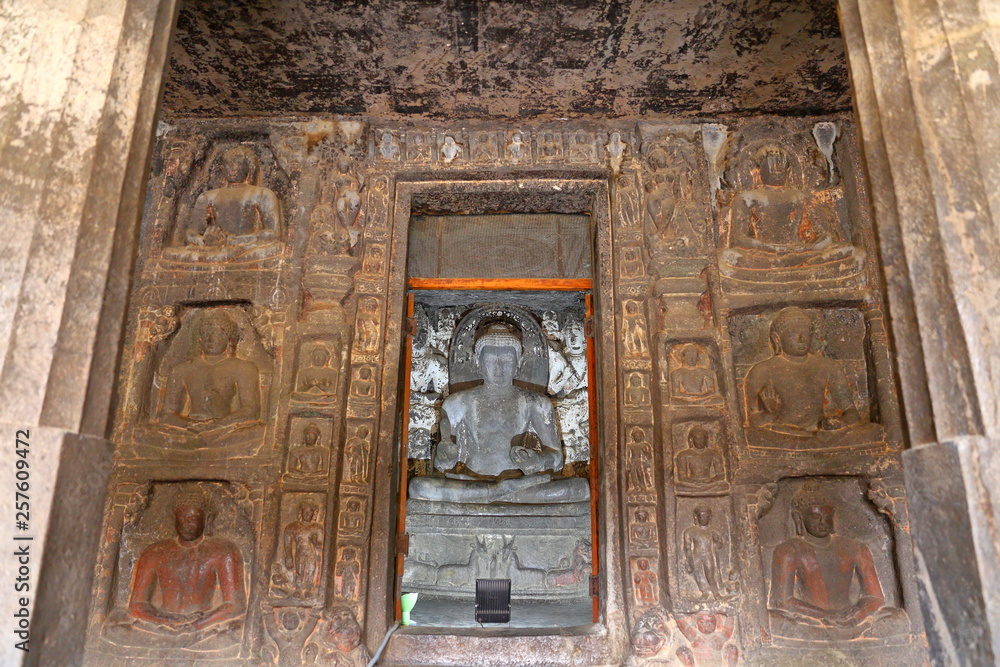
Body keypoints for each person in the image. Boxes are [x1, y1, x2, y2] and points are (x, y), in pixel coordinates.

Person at [408, 324, 589, 504]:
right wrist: (445, 457)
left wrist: (539, 461)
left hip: (520, 483)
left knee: (580, 488)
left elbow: (557, 458)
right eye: (490, 360)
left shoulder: (535, 403)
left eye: (507, 360)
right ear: (478, 362)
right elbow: (442, 466)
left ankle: (496, 493)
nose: (498, 368)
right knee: (419, 487)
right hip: (472, 481)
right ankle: (497, 491)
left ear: (518, 363)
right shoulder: (457, 403)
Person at [743, 307, 875, 446]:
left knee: (875, 430)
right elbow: (754, 423)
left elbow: (852, 413)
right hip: (783, 436)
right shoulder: (762, 370)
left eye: (806, 333)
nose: (801, 339)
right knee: (749, 436)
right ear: (777, 339)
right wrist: (770, 414)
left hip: (820, 435)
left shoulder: (828, 366)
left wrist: (838, 423)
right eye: (793, 333)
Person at [769, 482, 886, 633]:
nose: (822, 522)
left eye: (827, 516)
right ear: (799, 518)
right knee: (773, 620)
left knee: (896, 617)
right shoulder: (788, 550)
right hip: (812, 622)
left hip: (851, 618)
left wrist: (856, 617)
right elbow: (783, 602)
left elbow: (875, 597)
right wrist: (827, 616)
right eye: (815, 516)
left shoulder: (856, 548)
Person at [127, 492, 245, 636]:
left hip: (203, 625)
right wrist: (168, 621)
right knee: (113, 630)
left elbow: (234, 605)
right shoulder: (154, 552)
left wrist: (195, 625)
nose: (186, 524)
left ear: (207, 519)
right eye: (181, 518)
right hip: (162, 625)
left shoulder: (222, 552)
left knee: (236, 631)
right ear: (174, 519)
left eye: (192, 519)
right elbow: (136, 605)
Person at [167, 145, 282, 261]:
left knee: (273, 250)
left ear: (249, 168)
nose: (233, 168)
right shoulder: (208, 197)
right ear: (222, 169)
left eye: (238, 164)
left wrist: (231, 241)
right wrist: (203, 240)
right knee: (170, 254)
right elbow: (191, 233)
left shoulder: (262, 194)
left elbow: (272, 234)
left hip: (246, 249)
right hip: (214, 251)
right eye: (228, 164)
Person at [159, 311, 261, 433]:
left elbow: (250, 411)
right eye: (206, 333)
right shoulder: (181, 370)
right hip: (189, 430)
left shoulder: (243, 368)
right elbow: (167, 415)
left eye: (217, 333)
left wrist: (218, 424)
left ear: (229, 340)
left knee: (257, 431)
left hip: (225, 431)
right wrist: (191, 424)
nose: (210, 338)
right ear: (200, 339)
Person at [282, 501, 323, 596]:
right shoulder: (293, 527)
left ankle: (308, 589)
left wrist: (314, 541)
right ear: (301, 512)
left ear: (313, 514)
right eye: (305, 512)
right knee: (300, 570)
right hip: (300, 552)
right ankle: (298, 589)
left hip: (311, 553)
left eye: (310, 512)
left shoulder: (317, 528)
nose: (307, 515)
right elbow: (287, 543)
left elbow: (320, 545)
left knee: (311, 570)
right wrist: (288, 556)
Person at [674, 426, 728, 494]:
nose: (700, 441)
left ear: (706, 440)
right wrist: (695, 482)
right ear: (691, 440)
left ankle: (702, 490)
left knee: (723, 485)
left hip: (709, 483)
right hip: (692, 483)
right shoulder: (683, 455)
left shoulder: (714, 455)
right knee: (679, 486)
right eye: (697, 439)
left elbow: (720, 475)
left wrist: (710, 481)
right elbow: (682, 477)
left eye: (702, 438)